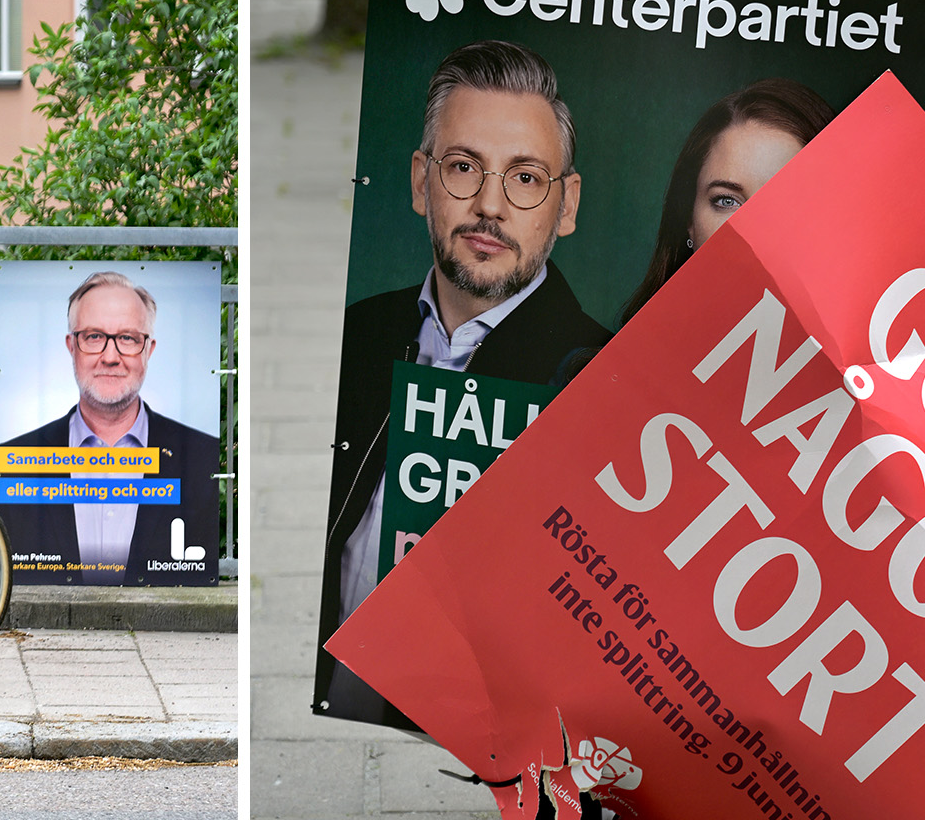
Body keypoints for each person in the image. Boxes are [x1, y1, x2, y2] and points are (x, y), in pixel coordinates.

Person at [318, 40, 612, 728]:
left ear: (565, 206)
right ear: (422, 182)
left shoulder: (599, 377)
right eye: (462, 168)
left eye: (527, 178)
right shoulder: (360, 332)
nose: (489, 205)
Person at [0, 271, 218, 586]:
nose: (110, 357)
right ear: (71, 346)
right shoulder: (17, 460)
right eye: (94, 337)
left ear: (148, 350)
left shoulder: (200, 455)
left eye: (127, 338)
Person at [617, 77, 836, 327]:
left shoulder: (883, 362)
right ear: (689, 219)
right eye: (727, 201)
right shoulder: (613, 367)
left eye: (785, 202)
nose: (754, 234)